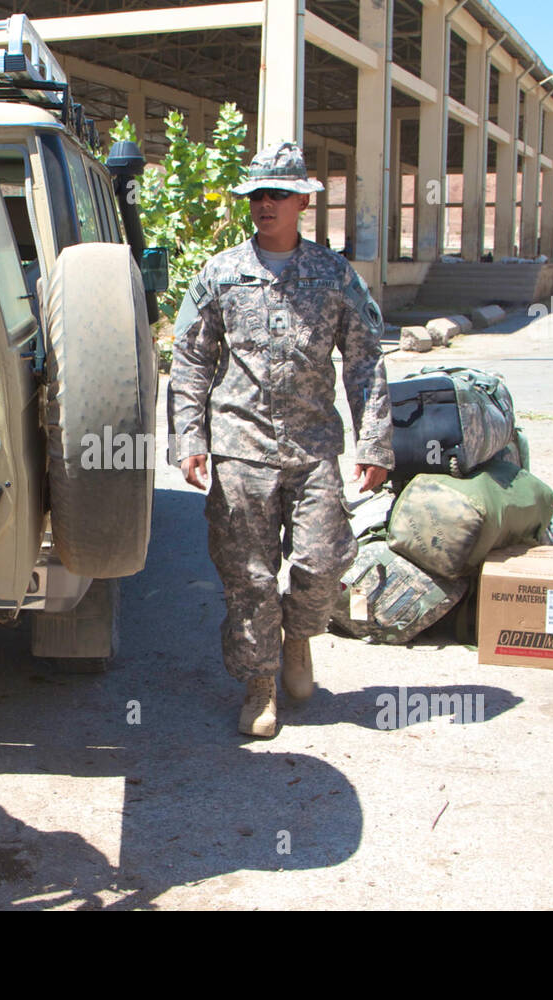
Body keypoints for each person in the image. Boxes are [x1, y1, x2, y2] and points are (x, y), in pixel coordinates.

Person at [168, 141, 394, 738]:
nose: (265, 205)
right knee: (250, 577)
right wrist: (189, 437)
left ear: (302, 201)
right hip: (239, 444)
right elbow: (190, 361)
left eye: (277, 195)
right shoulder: (220, 274)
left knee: (323, 561)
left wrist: (375, 443)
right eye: (257, 195)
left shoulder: (334, 274)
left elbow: (366, 360)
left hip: (313, 445)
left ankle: (299, 639)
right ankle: (259, 684)